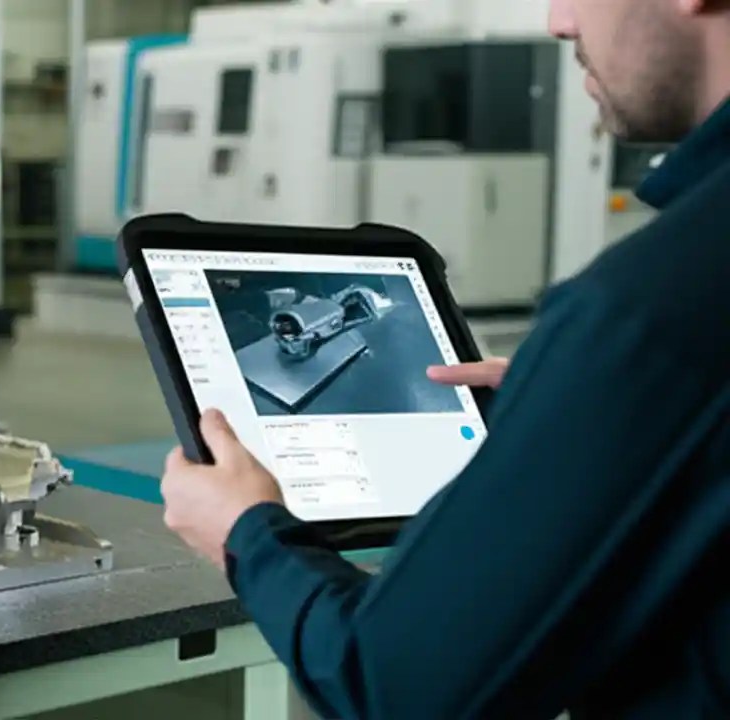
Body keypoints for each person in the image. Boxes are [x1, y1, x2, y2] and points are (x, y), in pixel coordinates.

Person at [158, 0, 730, 717]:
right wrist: (589, 401)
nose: (557, 22)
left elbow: (395, 684)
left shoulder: (645, 311)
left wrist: (247, 534)